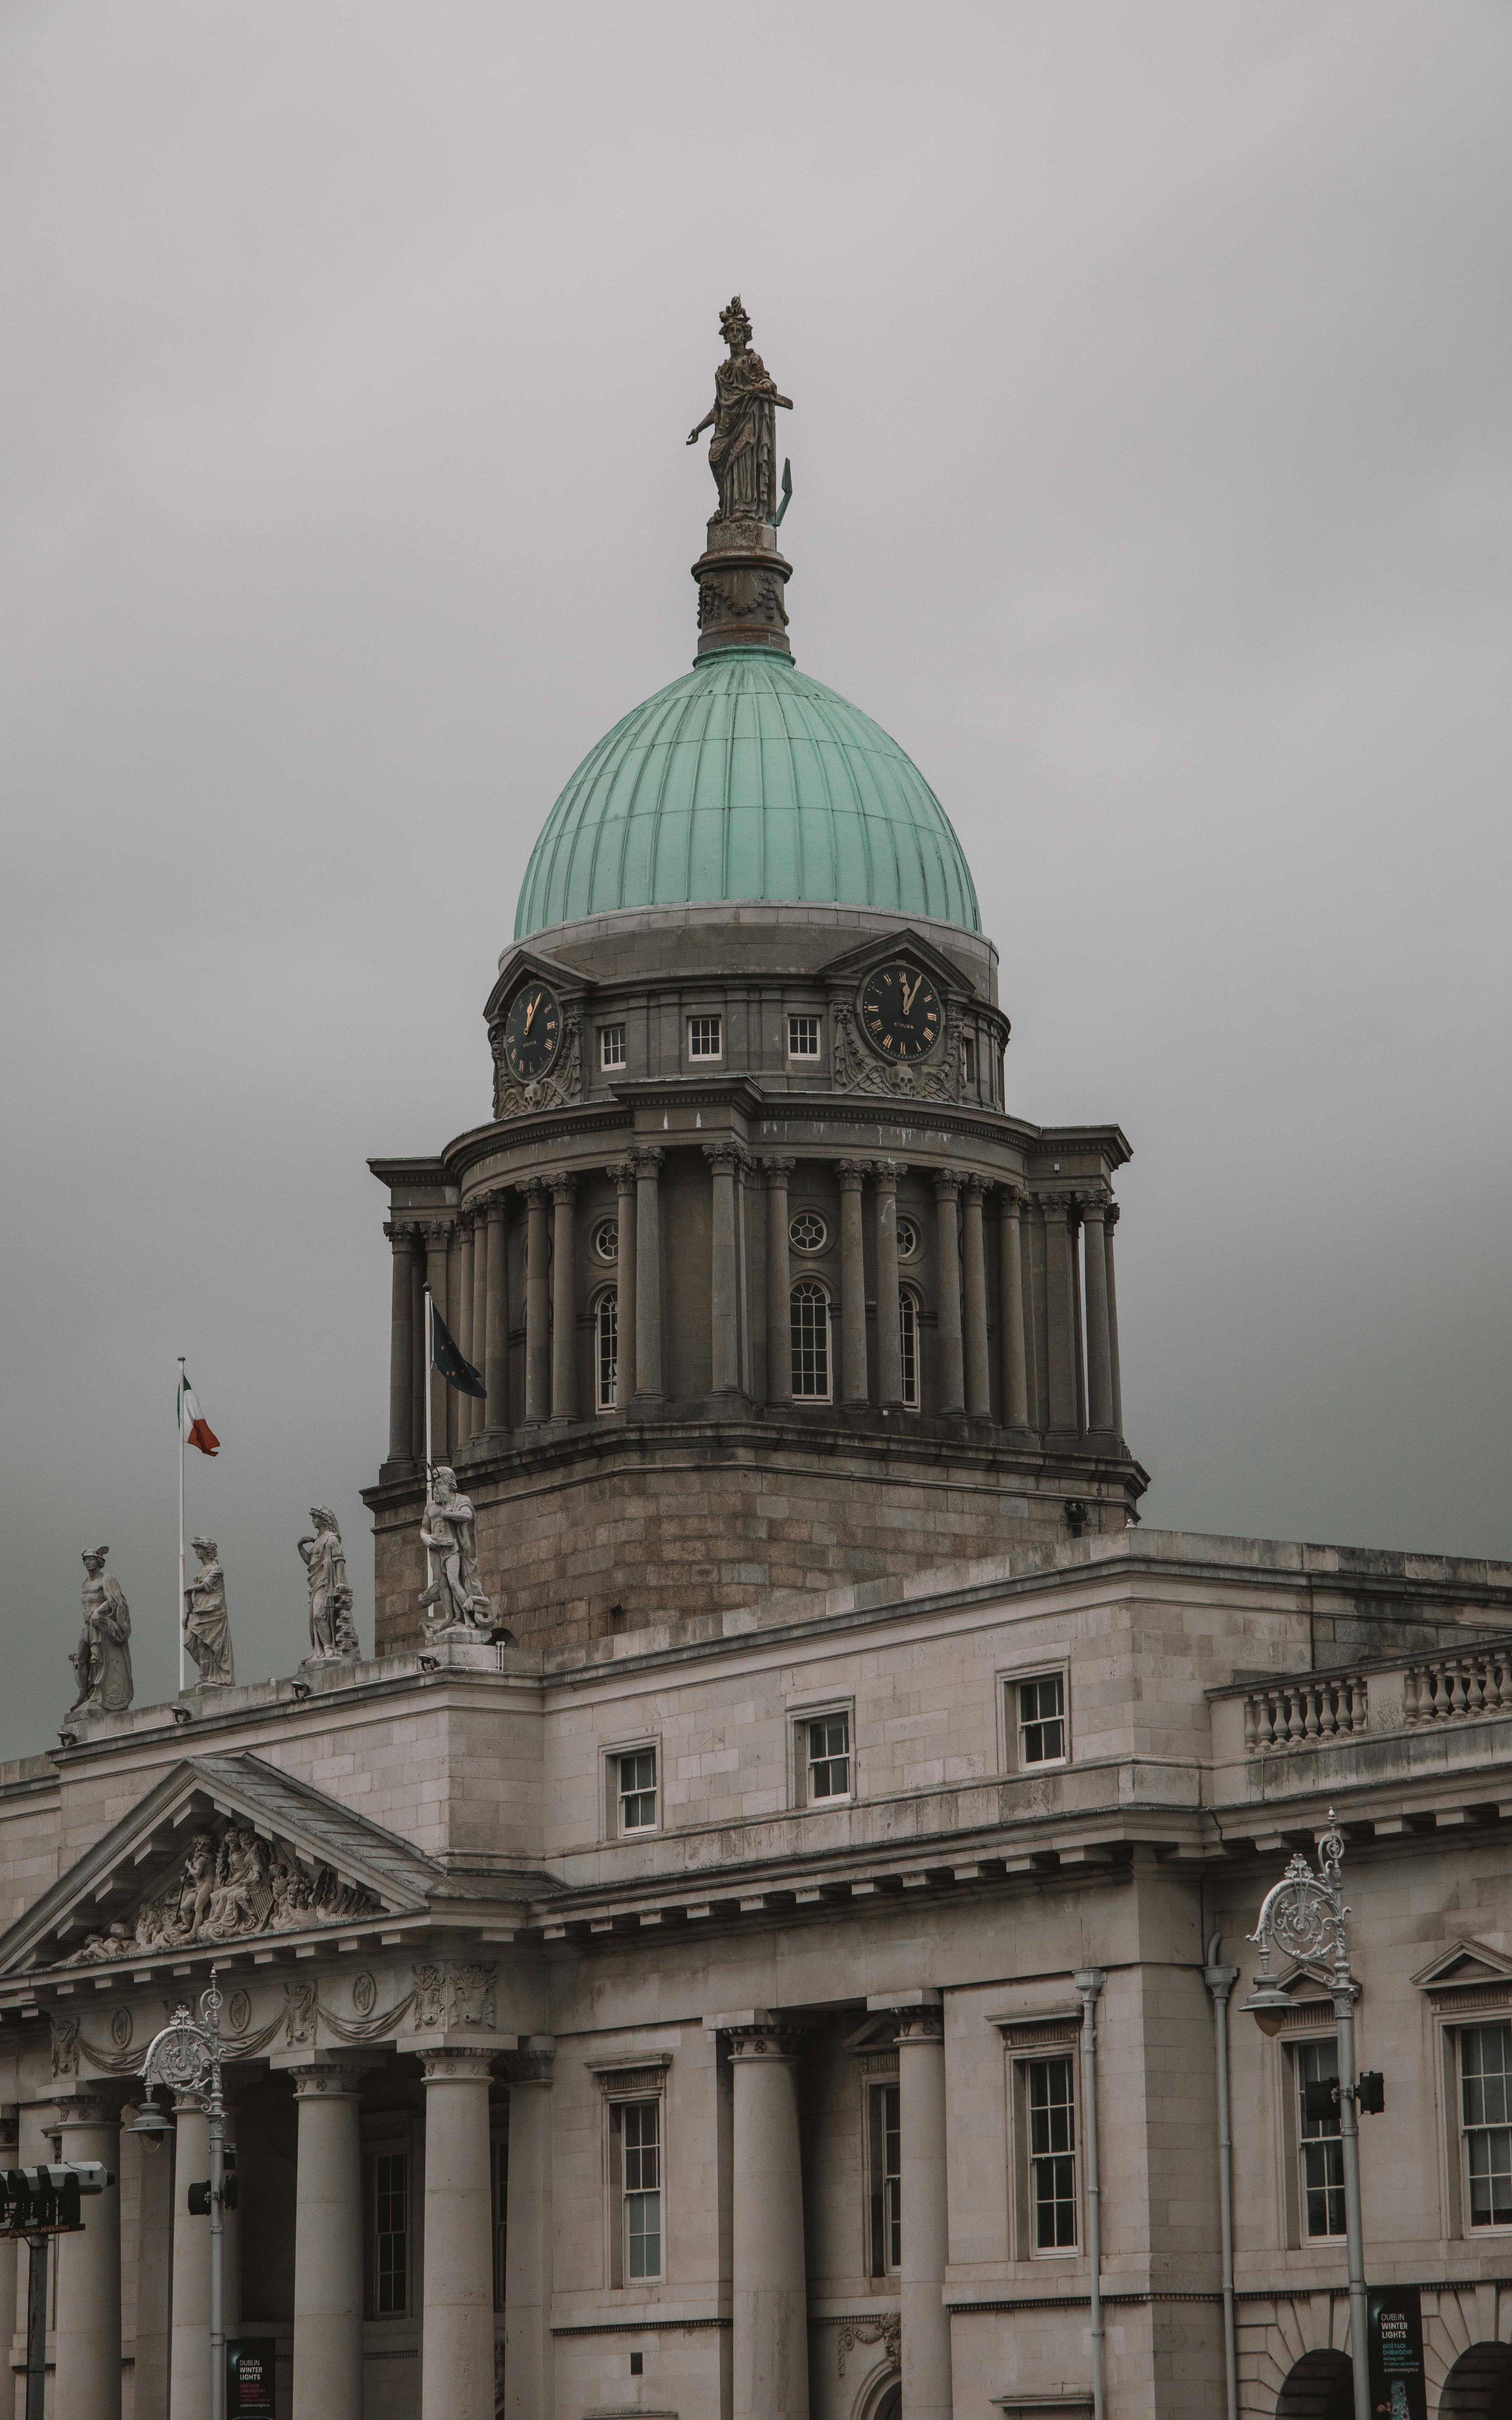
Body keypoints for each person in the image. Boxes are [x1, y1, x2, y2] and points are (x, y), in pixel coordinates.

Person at [69, 1546, 134, 1715]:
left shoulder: (107, 1579)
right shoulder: (85, 1582)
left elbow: (115, 1600)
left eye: (91, 1559)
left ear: (99, 1562)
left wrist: (99, 1611)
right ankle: (84, 1692)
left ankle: (99, 1693)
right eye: (85, 1560)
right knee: (81, 1658)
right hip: (87, 1627)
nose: (87, 1562)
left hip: (99, 1626)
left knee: (97, 1659)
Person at [183, 1536, 235, 1685]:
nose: (196, 1552)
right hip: (200, 1611)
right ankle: (205, 1674)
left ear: (207, 1551)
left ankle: (208, 1676)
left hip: (214, 1612)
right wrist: (188, 1614)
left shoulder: (216, 1570)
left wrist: (190, 1589)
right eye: (195, 1549)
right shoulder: (201, 1570)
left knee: (208, 1643)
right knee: (194, 1642)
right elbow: (197, 1596)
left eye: (199, 1548)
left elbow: (206, 1586)